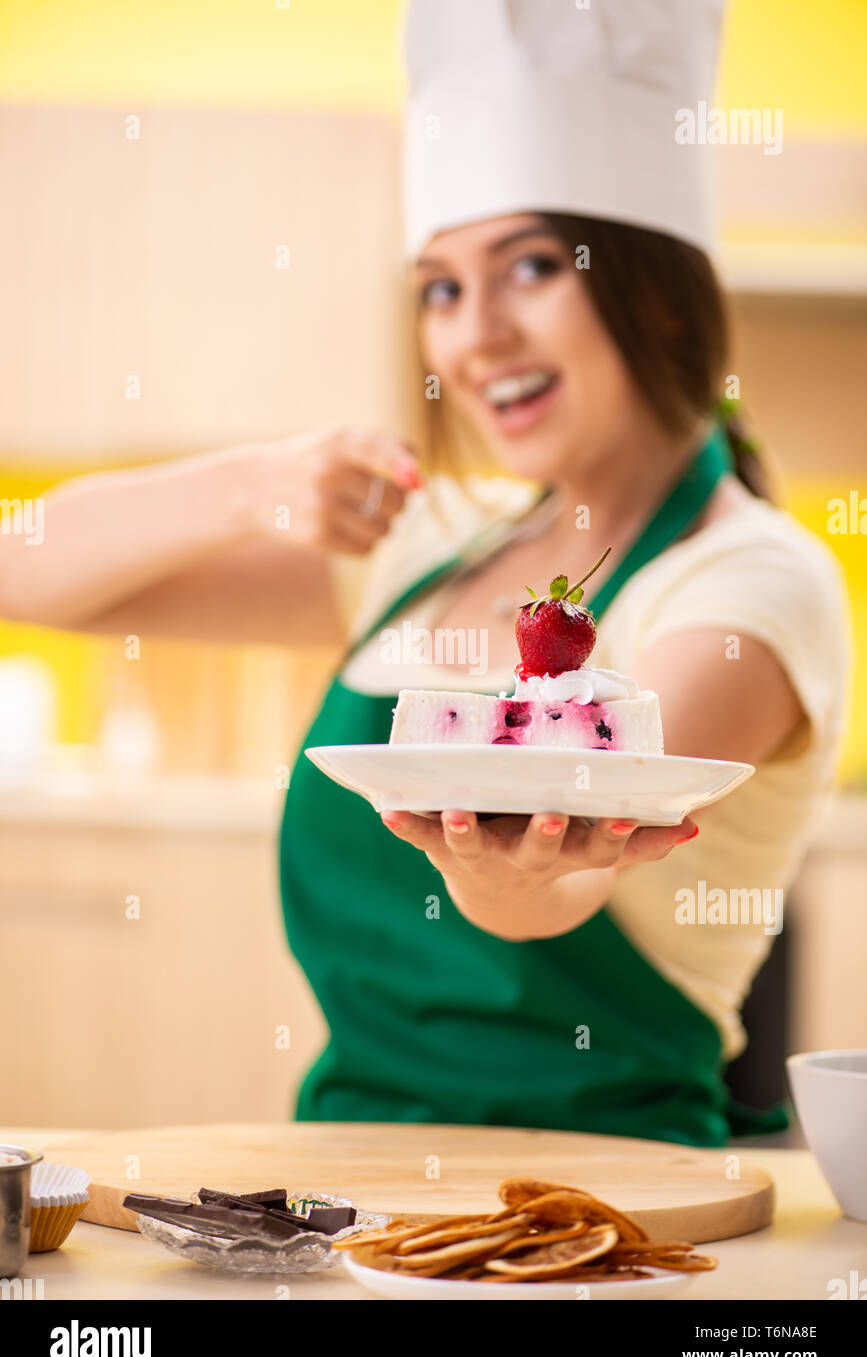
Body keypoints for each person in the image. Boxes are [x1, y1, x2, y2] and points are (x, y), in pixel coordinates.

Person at [0, 0, 849, 1144]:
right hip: (344, 1196)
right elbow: (25, 571)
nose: (475, 335)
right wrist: (255, 478)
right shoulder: (429, 541)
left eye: (531, 266)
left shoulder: (752, 581)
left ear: (652, 284)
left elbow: (569, 873)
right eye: (441, 287)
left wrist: (501, 874)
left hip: (616, 1214)